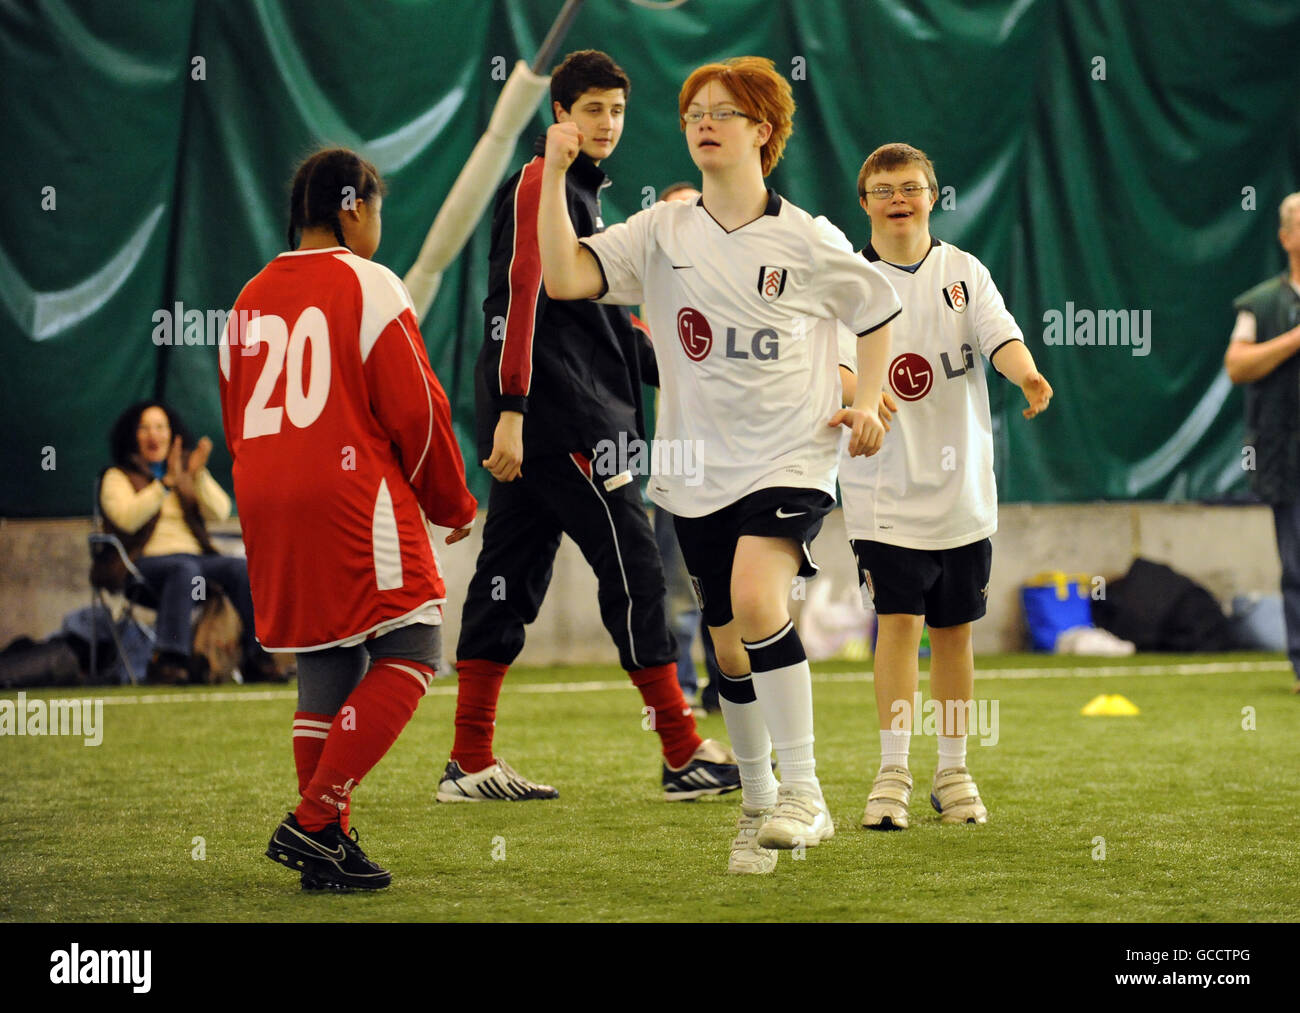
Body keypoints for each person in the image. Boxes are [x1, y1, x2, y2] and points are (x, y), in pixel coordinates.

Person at [538, 56, 901, 873]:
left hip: (792, 455)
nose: (702, 122)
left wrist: (870, 403)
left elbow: (877, 307)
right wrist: (550, 178)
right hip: (696, 467)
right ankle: (759, 803)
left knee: (754, 596)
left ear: (761, 132)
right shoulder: (662, 231)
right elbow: (563, 275)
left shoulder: (808, 238)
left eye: (722, 112)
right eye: (693, 111)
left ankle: (807, 793)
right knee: (728, 644)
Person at [439, 50, 740, 805]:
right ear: (562, 115)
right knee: (636, 569)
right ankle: (679, 749)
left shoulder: (580, 194)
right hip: (561, 419)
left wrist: (694, 366)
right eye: (593, 109)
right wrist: (510, 408)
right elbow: (514, 299)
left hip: (556, 419)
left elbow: (600, 324)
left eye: (617, 110)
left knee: (507, 583)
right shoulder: (544, 182)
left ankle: (468, 759)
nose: (607, 122)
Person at [218, 147, 478, 890]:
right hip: (350, 494)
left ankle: (325, 842)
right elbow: (419, 410)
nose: (380, 224)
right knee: (416, 644)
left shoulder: (245, 297)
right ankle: (312, 817)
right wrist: (450, 501)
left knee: (327, 657)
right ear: (352, 206)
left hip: (267, 495)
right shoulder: (369, 285)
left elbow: (238, 416)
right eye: (378, 206)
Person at [837, 143, 1052, 830]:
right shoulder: (849, 282)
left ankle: (953, 769)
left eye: (911, 187)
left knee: (954, 633)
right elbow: (833, 366)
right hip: (882, 492)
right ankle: (892, 769)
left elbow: (1000, 337)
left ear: (934, 195)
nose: (898, 198)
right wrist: (860, 396)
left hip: (963, 494)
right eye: (884, 189)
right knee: (898, 625)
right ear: (865, 202)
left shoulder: (964, 272)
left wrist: (1026, 374)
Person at [99, 401, 276, 685]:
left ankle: (259, 657)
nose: (153, 434)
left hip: (194, 561)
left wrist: (197, 476)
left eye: (160, 427)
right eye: (144, 428)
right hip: (141, 566)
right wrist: (164, 485)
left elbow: (219, 511)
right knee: (184, 569)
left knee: (239, 569)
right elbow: (127, 519)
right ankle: (169, 660)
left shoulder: (184, 474)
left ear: (173, 436)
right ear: (132, 436)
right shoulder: (117, 477)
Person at [648, 180, 726, 714]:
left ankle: (732, 687)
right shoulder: (654, 292)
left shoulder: (735, 285)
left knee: (735, 589)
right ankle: (685, 690)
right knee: (677, 587)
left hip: (736, 462)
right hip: (676, 460)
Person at [1225, 192, 1300, 693]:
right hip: (1284, 454)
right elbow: (1238, 365)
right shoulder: (1261, 303)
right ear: (1285, 236)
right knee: (1297, 564)